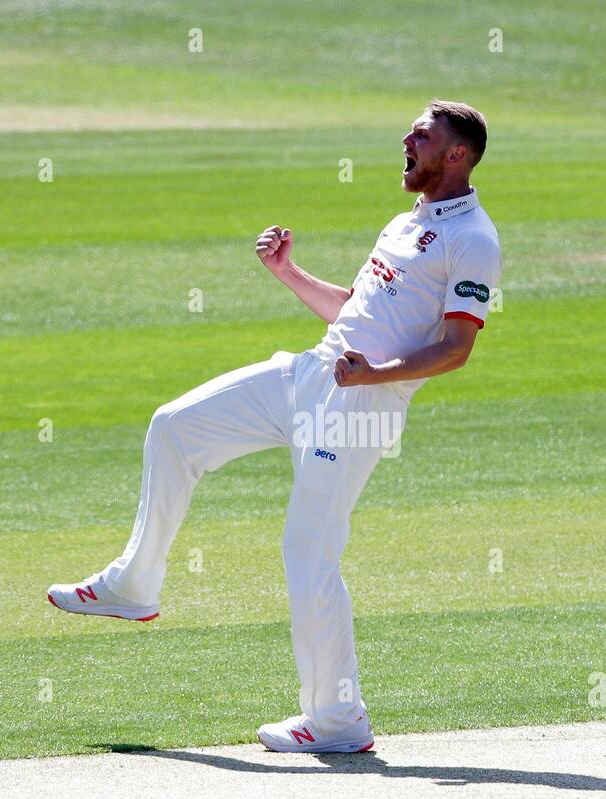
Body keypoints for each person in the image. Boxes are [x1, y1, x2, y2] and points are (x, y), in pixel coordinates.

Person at [48, 100, 501, 753]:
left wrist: (372, 376)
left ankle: (339, 720)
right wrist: (287, 273)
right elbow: (352, 310)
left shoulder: (474, 239)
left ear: (456, 155)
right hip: (313, 376)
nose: (406, 140)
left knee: (309, 555)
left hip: (361, 407)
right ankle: (133, 584)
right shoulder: (406, 223)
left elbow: (457, 347)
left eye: (422, 136)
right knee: (174, 427)